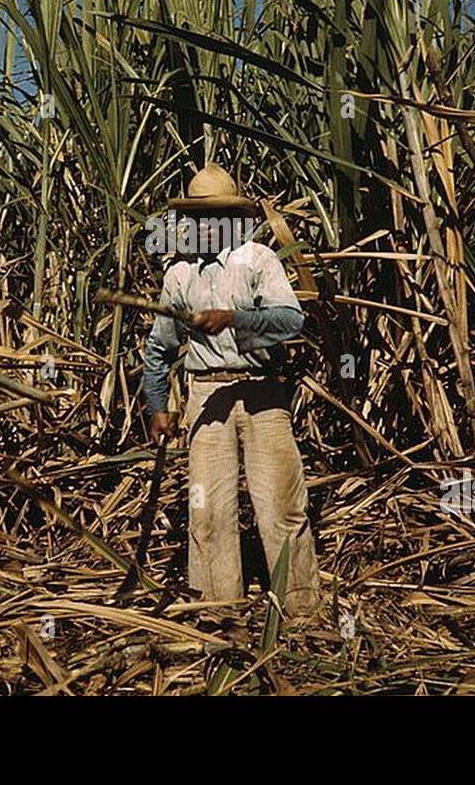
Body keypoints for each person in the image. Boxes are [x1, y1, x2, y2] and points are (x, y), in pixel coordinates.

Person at [141, 163, 322, 619]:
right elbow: (159, 347)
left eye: (215, 216)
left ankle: (300, 609)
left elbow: (291, 321)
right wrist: (158, 405)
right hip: (206, 397)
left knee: (281, 506)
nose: (205, 226)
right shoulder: (180, 276)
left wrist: (234, 318)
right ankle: (218, 608)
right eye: (198, 218)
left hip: (262, 396)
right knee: (208, 510)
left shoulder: (257, 259)